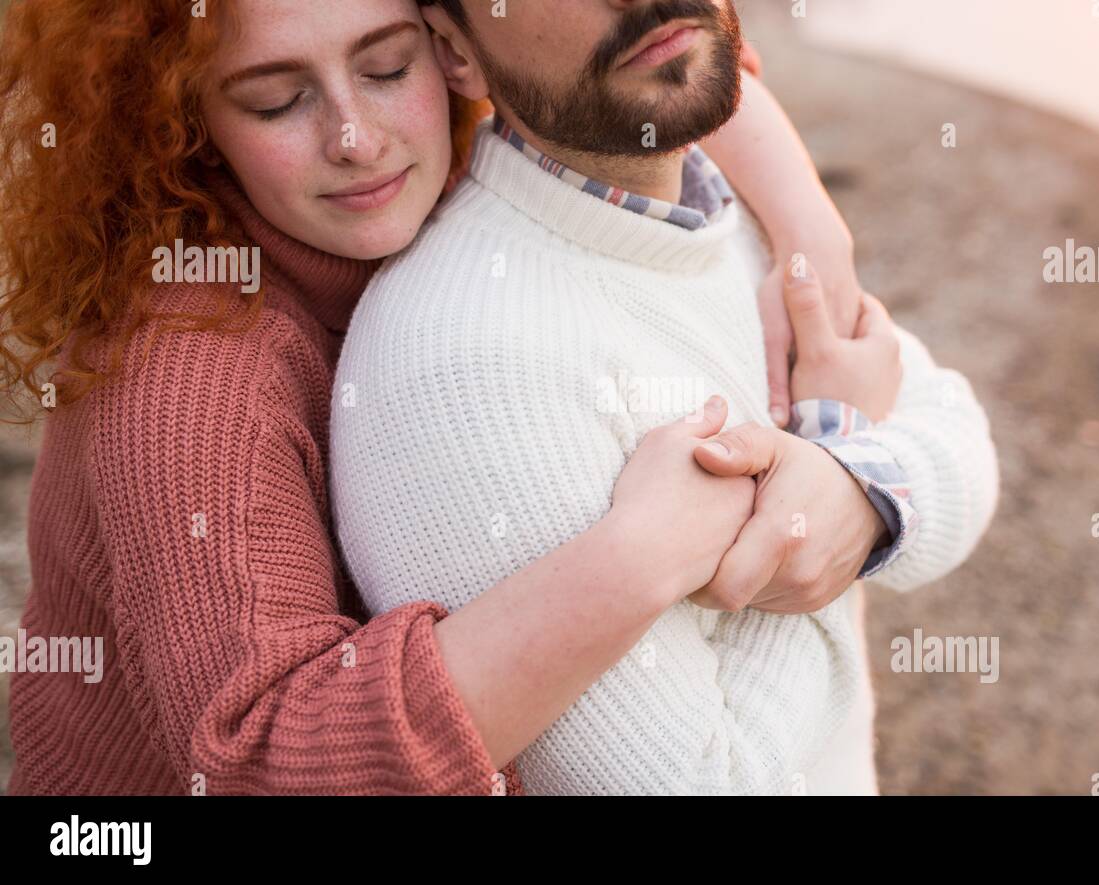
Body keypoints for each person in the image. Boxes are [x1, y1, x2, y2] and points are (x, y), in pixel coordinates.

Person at [0, 0, 945, 794]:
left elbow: (679, 51)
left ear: (454, 53)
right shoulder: (187, 368)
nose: (355, 138)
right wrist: (634, 558)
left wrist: (811, 230)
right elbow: (261, 762)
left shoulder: (439, 167)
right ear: (178, 118)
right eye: (277, 100)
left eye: (386, 67)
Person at [330, 0, 999, 794]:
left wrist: (854, 496)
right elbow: (704, 782)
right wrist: (838, 457)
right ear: (457, 52)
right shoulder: (463, 362)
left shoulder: (730, 200)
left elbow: (962, 439)